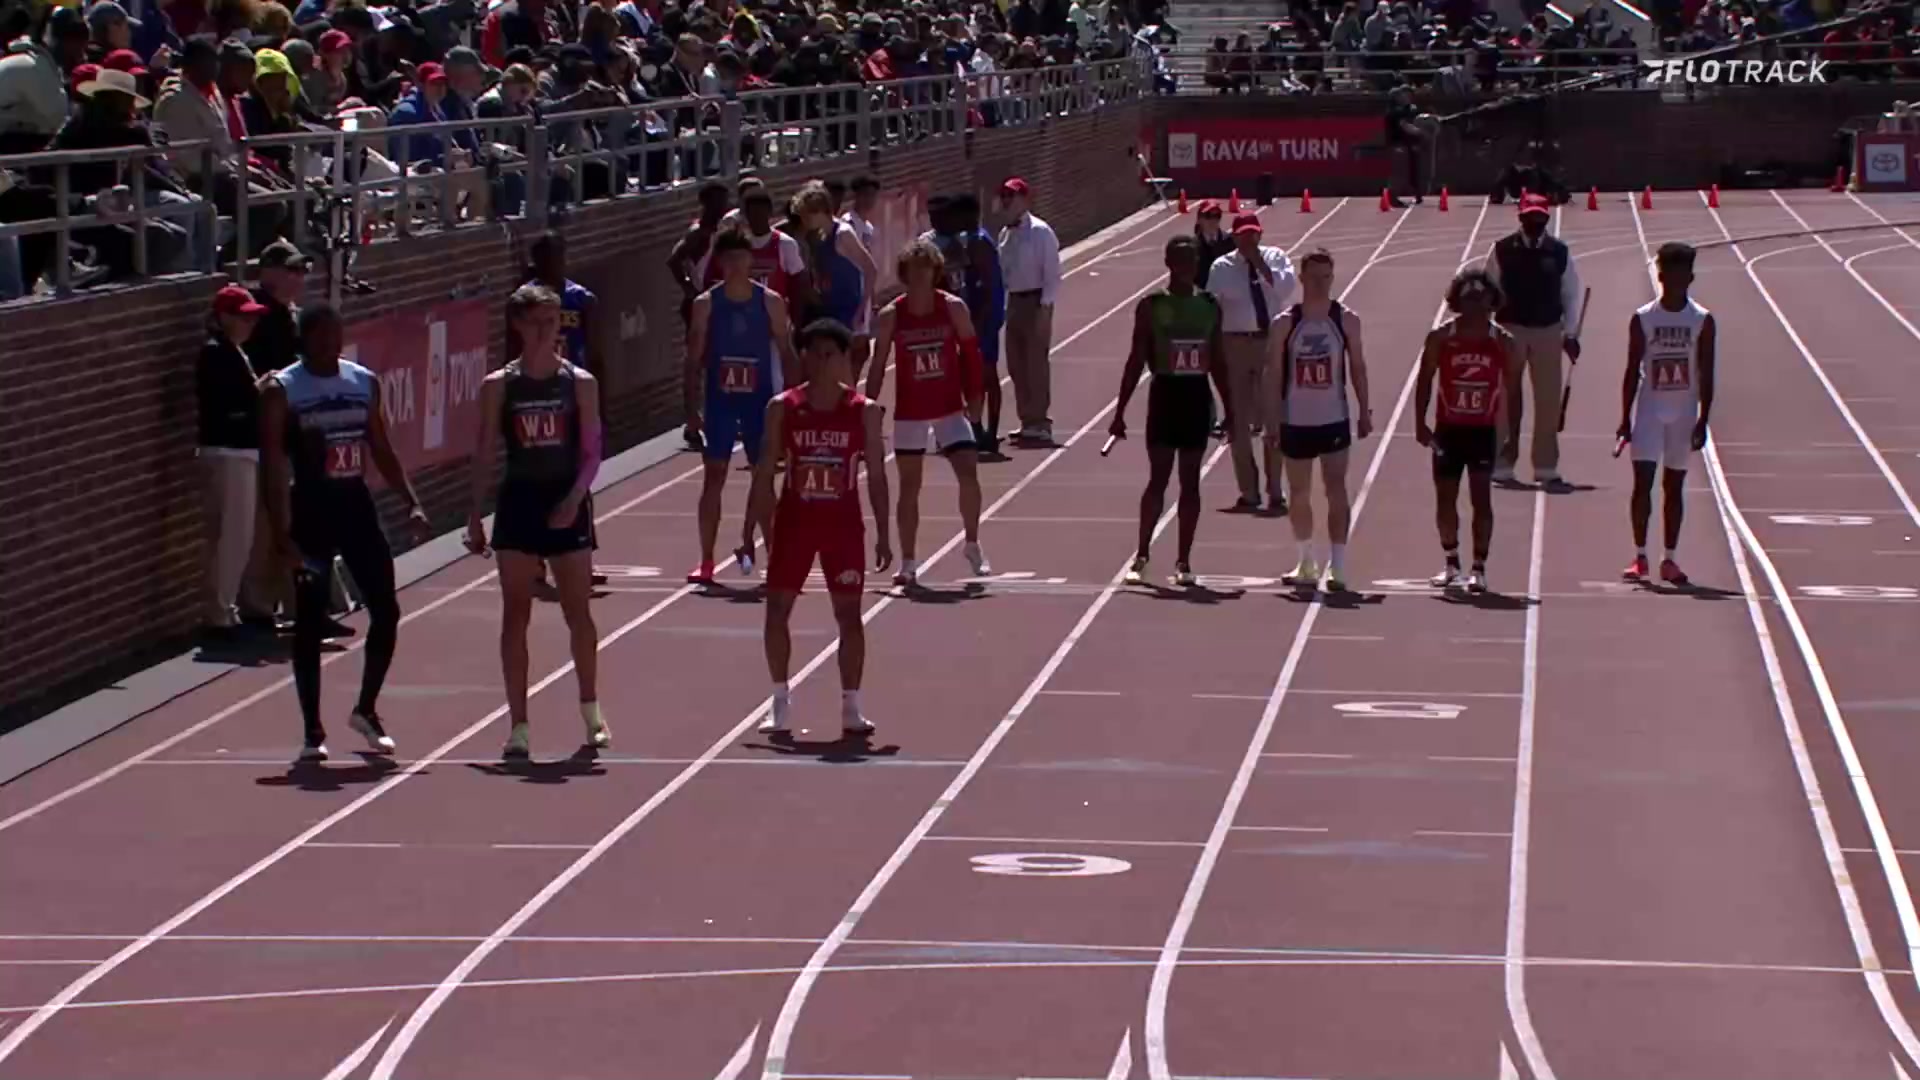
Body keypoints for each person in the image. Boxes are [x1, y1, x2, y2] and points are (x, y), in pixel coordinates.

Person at [260, 305, 430, 762]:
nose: (331, 345)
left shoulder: (362, 383)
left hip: (355, 506)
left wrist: (410, 500)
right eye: (321, 337)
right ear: (304, 340)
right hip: (310, 510)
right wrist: (281, 533)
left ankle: (366, 709)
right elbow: (274, 467)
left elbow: (382, 447)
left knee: (387, 610)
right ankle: (312, 730)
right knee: (310, 623)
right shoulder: (283, 390)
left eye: (337, 335)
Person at [466, 284, 613, 759]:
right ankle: (519, 725)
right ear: (518, 325)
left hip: (566, 499)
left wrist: (575, 498)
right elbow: (487, 450)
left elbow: (593, 451)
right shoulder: (499, 386)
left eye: (552, 321)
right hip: (519, 503)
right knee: (516, 614)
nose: (546, 330)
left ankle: (590, 709)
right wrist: (473, 514)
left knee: (578, 611)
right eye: (536, 322)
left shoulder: (579, 383)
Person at [743, 318, 892, 737]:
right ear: (804, 358)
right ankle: (779, 700)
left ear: (844, 359)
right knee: (776, 610)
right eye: (815, 354)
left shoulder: (865, 412)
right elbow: (764, 473)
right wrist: (752, 530)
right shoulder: (782, 408)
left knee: (849, 615)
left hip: (842, 525)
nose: (823, 362)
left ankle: (851, 704)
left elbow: (878, 476)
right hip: (795, 522)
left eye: (831, 354)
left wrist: (883, 530)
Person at [866, 239, 991, 587]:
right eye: (914, 270)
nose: (920, 276)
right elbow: (877, 365)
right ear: (905, 275)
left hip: (949, 406)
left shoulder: (953, 308)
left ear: (935, 272)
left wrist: (975, 395)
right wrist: (867, 405)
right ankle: (908, 561)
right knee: (909, 485)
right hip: (911, 411)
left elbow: (971, 353)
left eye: (926, 269)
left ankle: (971, 542)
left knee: (968, 472)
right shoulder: (892, 314)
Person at [1109, 235, 1229, 587]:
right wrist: (1120, 411)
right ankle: (1142, 553)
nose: (1185, 267)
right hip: (1164, 393)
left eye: (1191, 261)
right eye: (1179, 261)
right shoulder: (1151, 305)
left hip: (1196, 396)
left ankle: (1184, 561)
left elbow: (1218, 360)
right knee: (1158, 478)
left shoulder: (1210, 305)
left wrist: (1231, 407)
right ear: (1167, 263)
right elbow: (1135, 360)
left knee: (1190, 481)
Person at [685, 228, 799, 583]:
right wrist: (691, 409)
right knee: (714, 476)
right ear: (719, 263)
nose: (735, 266)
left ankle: (776, 557)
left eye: (741, 258)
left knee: (763, 478)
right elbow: (692, 360)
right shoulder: (706, 304)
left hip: (759, 403)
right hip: (720, 402)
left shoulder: (771, 302)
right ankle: (706, 560)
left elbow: (787, 352)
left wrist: (795, 401)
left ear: (751, 260)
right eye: (728, 259)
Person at [1266, 247, 1372, 591]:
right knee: (1298, 492)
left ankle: (1338, 565)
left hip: (1334, 418)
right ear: (1301, 278)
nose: (1320, 283)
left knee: (1336, 489)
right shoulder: (1285, 324)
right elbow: (1274, 375)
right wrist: (1272, 421)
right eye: (1313, 277)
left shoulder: (1346, 320)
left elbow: (1357, 367)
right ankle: (1306, 560)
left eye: (1326, 277)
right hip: (1296, 420)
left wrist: (1364, 410)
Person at [1414, 269, 1516, 594]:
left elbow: (1514, 391)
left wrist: (1513, 435)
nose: (1475, 305)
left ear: (1492, 302)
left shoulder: (1503, 342)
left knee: (1481, 500)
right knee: (1445, 498)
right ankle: (1451, 562)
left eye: (1481, 298)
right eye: (1468, 298)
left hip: (1483, 431)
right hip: (1448, 431)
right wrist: (1420, 422)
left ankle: (1479, 567)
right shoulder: (1441, 337)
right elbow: (1425, 379)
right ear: (1458, 300)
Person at [1619, 242, 1715, 587]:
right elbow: (1631, 370)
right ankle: (1640, 554)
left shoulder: (1702, 320)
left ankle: (1670, 559)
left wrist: (1703, 419)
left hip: (1683, 413)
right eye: (1668, 276)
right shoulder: (1643, 318)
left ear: (1689, 278)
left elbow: (1707, 371)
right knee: (1642, 483)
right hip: (1648, 411)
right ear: (1660, 277)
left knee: (1674, 487)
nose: (1674, 283)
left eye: (1681, 277)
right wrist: (1623, 420)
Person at [523, 231, 606, 593]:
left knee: (579, 476)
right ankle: (534, 558)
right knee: (534, 476)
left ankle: (582, 553)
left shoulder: (581, 299)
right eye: (545, 257)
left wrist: (600, 401)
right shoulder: (523, 300)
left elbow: (597, 352)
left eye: (558, 255)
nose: (553, 263)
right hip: (533, 399)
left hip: (572, 396)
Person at [1484, 193, 1583, 485]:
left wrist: (1572, 334)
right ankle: (1502, 462)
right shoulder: (1501, 250)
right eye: (1530, 217)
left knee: (1548, 400)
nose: (1535, 222)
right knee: (1505, 400)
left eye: (1540, 217)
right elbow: (1490, 290)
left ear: (1547, 218)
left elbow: (1570, 295)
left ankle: (1545, 465)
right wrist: (1490, 332)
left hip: (1548, 330)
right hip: (1509, 329)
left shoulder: (1559, 252)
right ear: (1521, 217)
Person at [1207, 212, 1297, 513]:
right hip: (1235, 344)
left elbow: (1284, 290)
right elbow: (1213, 306)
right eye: (1243, 235)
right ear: (1234, 237)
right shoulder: (1222, 266)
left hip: (1270, 342)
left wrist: (1260, 265)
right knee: (1239, 422)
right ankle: (1249, 490)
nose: (1249, 240)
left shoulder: (1276, 257)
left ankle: (1275, 489)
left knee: (1274, 418)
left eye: (1253, 234)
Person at [196, 284, 268, 638]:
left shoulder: (232, 351)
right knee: (233, 535)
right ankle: (220, 613)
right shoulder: (217, 354)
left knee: (231, 534)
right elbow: (230, 405)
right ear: (224, 317)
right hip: (229, 451)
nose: (249, 325)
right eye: (243, 318)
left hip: (234, 451)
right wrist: (260, 393)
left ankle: (224, 610)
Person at [996, 177, 1061, 444]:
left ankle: (1040, 421)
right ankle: (1026, 419)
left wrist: (1045, 307)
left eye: (1012, 196)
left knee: (1036, 362)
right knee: (1016, 362)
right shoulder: (1005, 233)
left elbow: (1053, 273)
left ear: (1025, 199)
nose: (1007, 201)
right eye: (1005, 197)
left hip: (1035, 301)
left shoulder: (1041, 231)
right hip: (1014, 301)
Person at [669, 181, 733, 450]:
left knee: (715, 362)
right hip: (698, 306)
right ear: (706, 202)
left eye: (724, 200)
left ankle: (709, 417)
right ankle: (692, 421)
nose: (723, 206)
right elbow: (673, 260)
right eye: (717, 201)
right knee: (696, 363)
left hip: (716, 304)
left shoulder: (721, 229)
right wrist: (690, 289)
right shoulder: (698, 232)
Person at [795, 178, 877, 367]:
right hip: (831, 308)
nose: (805, 221)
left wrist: (861, 312)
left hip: (848, 311)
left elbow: (870, 269)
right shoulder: (819, 235)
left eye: (807, 216)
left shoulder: (843, 234)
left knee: (842, 367)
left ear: (820, 211)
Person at [951, 193, 1007, 455]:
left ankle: (989, 432)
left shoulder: (980, 243)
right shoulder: (972, 240)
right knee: (978, 377)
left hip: (983, 320)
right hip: (980, 317)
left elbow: (986, 289)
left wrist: (978, 323)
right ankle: (980, 429)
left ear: (968, 215)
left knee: (985, 376)